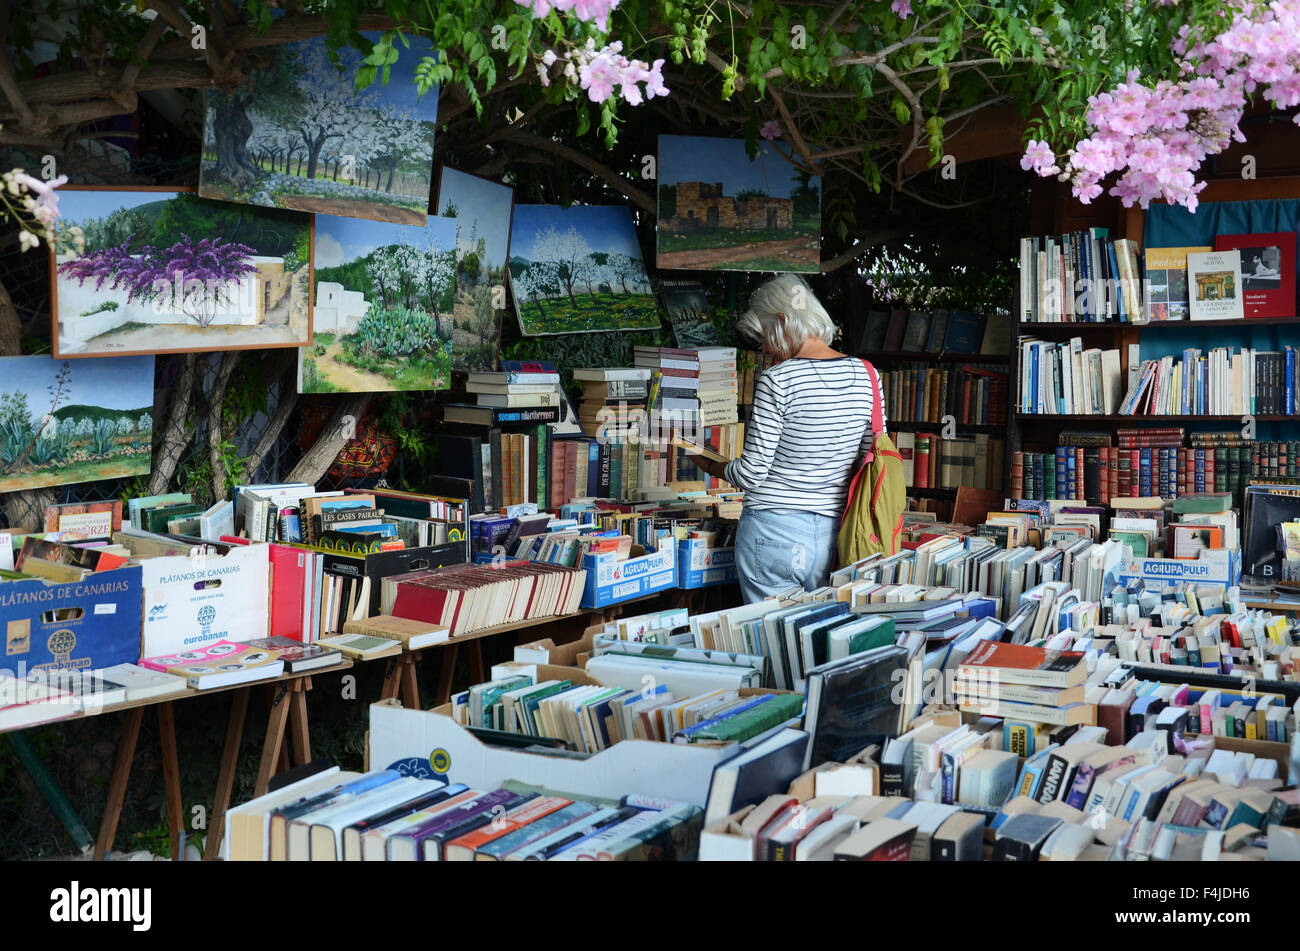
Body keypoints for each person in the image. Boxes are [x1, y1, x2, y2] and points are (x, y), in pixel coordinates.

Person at [685, 274, 886, 603]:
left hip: (772, 531)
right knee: (818, 639)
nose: (764, 348)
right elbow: (870, 459)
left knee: (771, 637)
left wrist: (707, 462)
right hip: (834, 534)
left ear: (782, 321)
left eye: (764, 335)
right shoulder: (867, 374)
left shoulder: (778, 380)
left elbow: (752, 473)